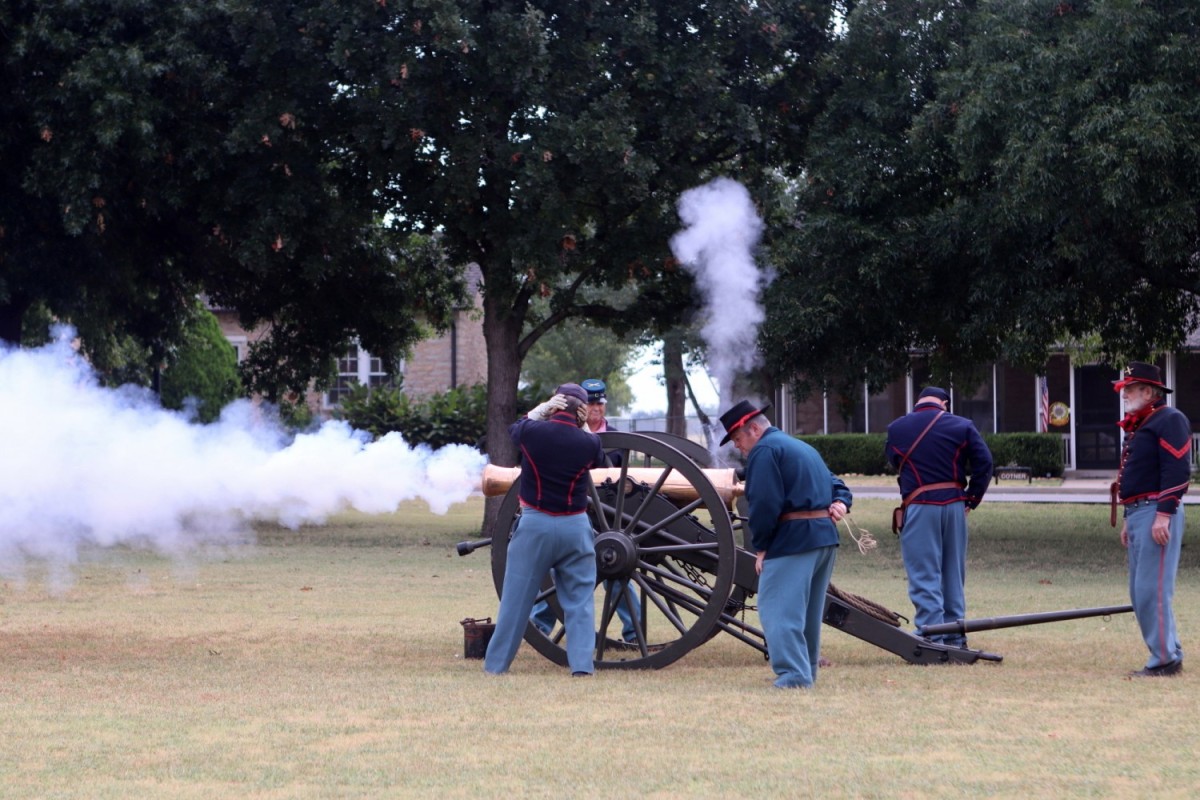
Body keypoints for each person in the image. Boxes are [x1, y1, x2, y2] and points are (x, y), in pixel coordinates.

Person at [719, 399, 851, 689]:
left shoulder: (764, 450)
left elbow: (764, 503)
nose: (738, 447)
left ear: (754, 429)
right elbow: (836, 483)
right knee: (807, 613)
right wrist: (842, 501)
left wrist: (761, 546)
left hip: (793, 539)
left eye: (738, 439)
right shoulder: (801, 447)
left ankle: (793, 675)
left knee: (777, 609)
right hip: (823, 539)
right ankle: (805, 672)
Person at [484, 383, 607, 676]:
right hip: (575, 527)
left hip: (535, 525)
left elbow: (516, 429)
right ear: (581, 410)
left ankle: (496, 666)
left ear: (554, 403)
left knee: (515, 602)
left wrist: (538, 412)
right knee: (579, 602)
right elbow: (599, 458)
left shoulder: (532, 433)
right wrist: (583, 427)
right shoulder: (588, 443)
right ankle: (582, 668)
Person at [531, 376, 641, 643]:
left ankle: (634, 632)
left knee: (617, 571)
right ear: (580, 408)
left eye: (600, 404)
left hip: (612, 519)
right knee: (560, 570)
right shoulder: (562, 434)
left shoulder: (618, 441)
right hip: (574, 512)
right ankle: (539, 626)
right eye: (590, 404)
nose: (596, 408)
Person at [885, 386, 993, 649]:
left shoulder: (897, 428)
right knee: (953, 572)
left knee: (924, 573)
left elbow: (894, 460)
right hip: (955, 504)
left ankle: (932, 634)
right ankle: (955, 634)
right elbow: (985, 462)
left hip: (920, 503)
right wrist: (971, 499)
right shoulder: (962, 425)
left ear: (918, 402)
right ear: (944, 404)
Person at [1112, 362, 1188, 678]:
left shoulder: (1169, 419)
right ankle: (1168, 651)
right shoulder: (1143, 423)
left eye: (1129, 388)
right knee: (1140, 592)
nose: (1124, 394)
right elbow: (1138, 475)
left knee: (1150, 591)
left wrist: (1164, 514)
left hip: (1156, 510)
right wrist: (1128, 519)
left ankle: (1165, 660)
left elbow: (1177, 470)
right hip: (1139, 512)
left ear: (1148, 391)